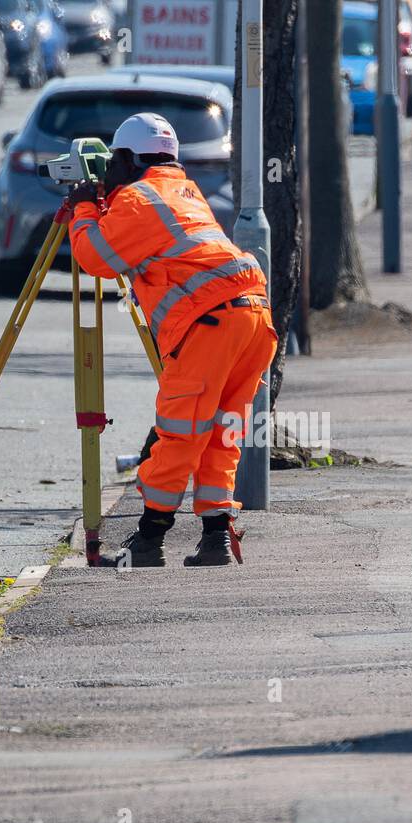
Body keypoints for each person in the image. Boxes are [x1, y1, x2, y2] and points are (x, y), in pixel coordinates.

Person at [68, 112, 276, 567]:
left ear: (125, 158)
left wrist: (84, 208)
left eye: (112, 162)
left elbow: (96, 257)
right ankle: (216, 537)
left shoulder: (139, 199)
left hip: (212, 324)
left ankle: (149, 539)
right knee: (221, 432)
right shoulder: (182, 189)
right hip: (254, 316)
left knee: (182, 431)